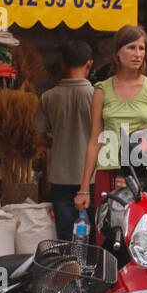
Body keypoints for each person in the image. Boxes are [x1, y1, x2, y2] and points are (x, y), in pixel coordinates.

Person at [75, 24, 147, 215]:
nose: (137, 54)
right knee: (109, 235)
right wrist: (84, 188)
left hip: (145, 174)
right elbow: (94, 141)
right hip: (108, 172)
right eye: (131, 48)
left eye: (141, 48)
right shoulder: (101, 90)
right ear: (117, 52)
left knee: (143, 236)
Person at [34, 40, 95, 240]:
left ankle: (68, 271)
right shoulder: (98, 97)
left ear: (62, 65)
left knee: (66, 238)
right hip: (93, 179)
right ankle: (91, 272)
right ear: (89, 64)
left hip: (60, 179)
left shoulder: (48, 97)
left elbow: (38, 138)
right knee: (93, 237)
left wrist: (59, 143)